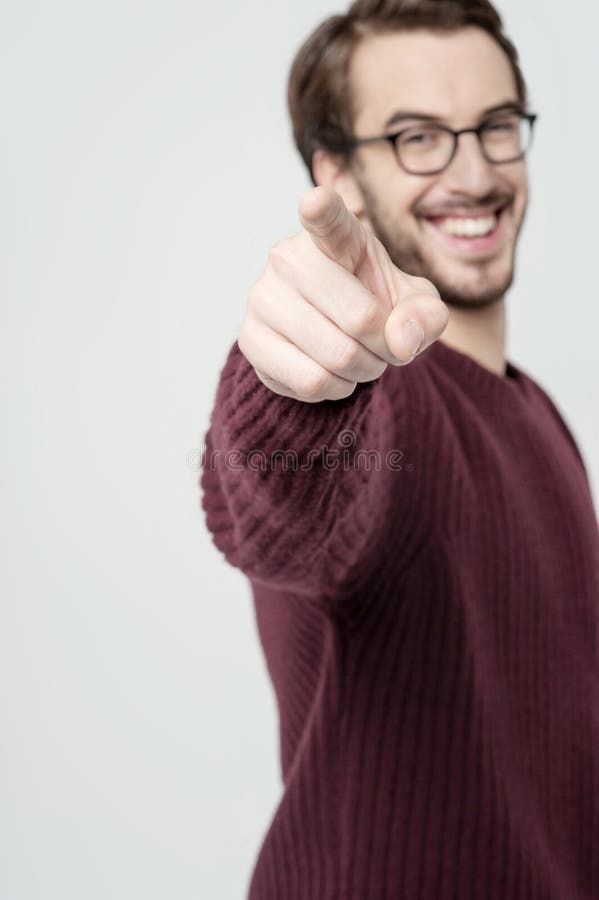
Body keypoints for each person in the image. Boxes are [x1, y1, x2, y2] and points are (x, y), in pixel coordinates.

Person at [200, 0, 599, 896]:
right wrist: (291, 391)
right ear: (335, 173)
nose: (473, 172)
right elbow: (286, 515)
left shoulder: (538, 415)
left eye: (495, 127)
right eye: (417, 136)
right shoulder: (374, 409)